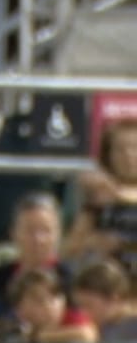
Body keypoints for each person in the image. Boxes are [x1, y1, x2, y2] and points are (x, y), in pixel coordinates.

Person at [0, 191, 93, 338]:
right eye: (30, 230)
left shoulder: (71, 281)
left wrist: (31, 339)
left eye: (46, 231)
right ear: (14, 234)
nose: (38, 239)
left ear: (58, 235)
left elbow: (87, 334)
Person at [0, 267, 98, 343]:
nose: (49, 305)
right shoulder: (14, 325)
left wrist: (34, 338)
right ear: (19, 308)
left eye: (54, 297)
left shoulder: (72, 319)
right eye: (38, 299)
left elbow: (87, 335)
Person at [65, 118, 137, 275]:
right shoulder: (98, 198)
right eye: (120, 149)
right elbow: (70, 250)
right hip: (108, 282)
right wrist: (94, 243)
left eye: (134, 148)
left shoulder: (110, 193)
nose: (128, 156)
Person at [72, 259, 137, 343]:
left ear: (114, 299)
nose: (83, 313)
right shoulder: (102, 328)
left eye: (89, 305)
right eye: (81, 306)